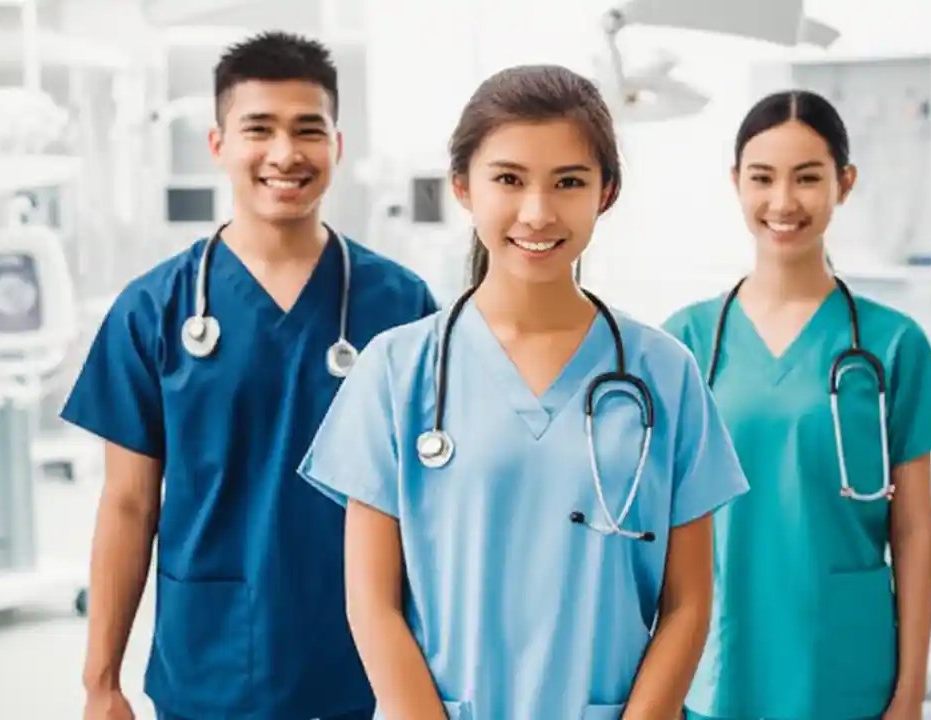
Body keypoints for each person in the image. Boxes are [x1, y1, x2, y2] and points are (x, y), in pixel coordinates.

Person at [297, 64, 749, 719]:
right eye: (509, 179)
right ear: (463, 186)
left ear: (606, 192)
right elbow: (372, 603)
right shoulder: (395, 371)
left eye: (569, 182)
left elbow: (687, 603)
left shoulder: (665, 375)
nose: (538, 212)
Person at [62, 31, 438, 720]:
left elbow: (435, 500)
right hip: (210, 662)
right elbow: (128, 504)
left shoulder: (400, 304)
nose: (285, 153)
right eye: (258, 129)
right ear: (218, 144)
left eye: (308, 130)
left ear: (337, 146)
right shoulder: (154, 309)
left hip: (364, 666)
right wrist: (101, 682)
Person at [664, 90, 931, 720]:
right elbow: (656, 532)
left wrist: (910, 691)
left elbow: (914, 531)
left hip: (843, 672)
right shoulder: (687, 341)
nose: (783, 202)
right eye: (762, 178)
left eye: (806, 178)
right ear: (736, 183)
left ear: (844, 183)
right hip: (717, 670)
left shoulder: (892, 344)